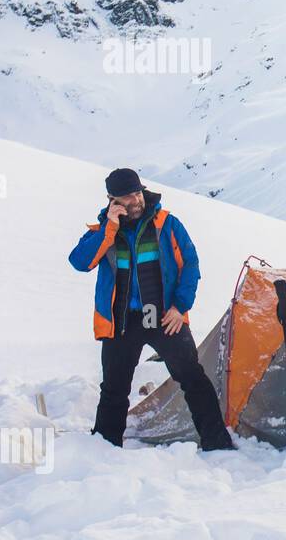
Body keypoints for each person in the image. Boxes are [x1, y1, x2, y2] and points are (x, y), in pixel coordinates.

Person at [68, 168, 235, 451]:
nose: (136, 200)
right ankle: (103, 451)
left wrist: (180, 307)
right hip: (121, 320)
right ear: (112, 200)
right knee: (114, 389)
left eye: (137, 192)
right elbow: (80, 262)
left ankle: (217, 445)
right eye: (127, 197)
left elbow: (190, 266)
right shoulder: (104, 230)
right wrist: (109, 227)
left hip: (164, 316)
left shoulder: (166, 223)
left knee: (192, 378)